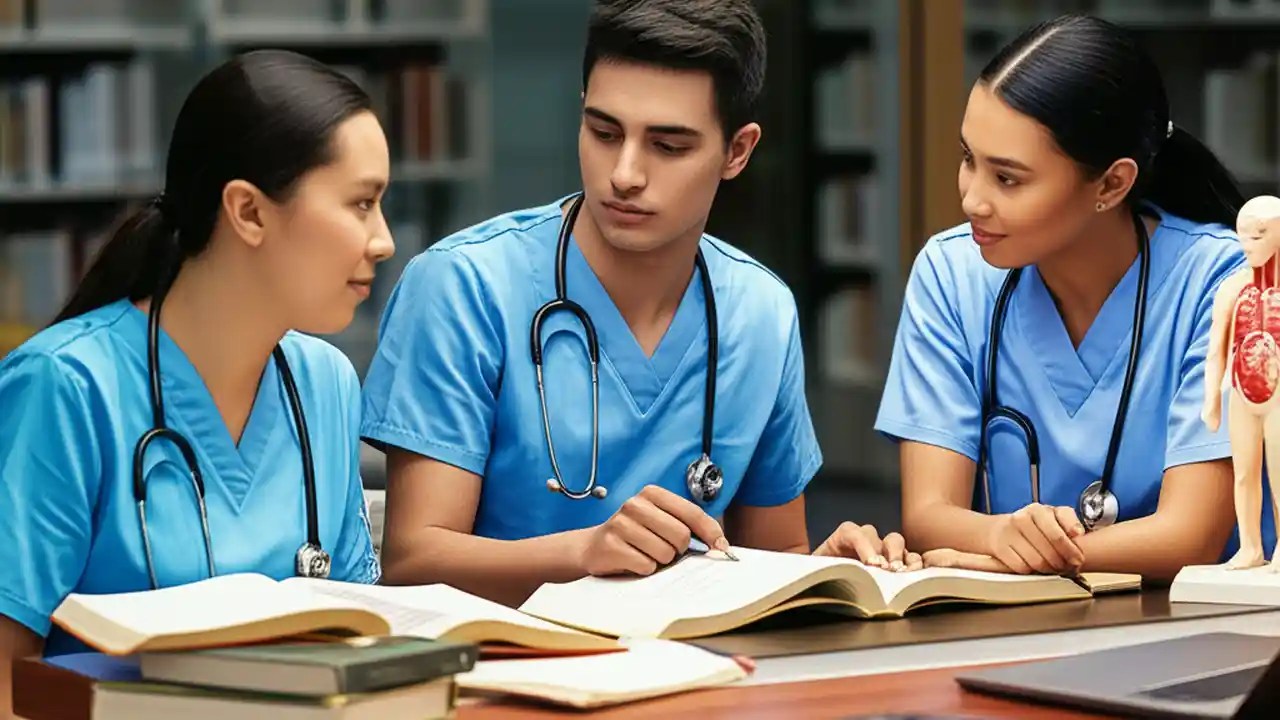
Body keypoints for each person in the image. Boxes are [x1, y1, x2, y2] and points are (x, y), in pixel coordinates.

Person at [361, 0, 918, 607]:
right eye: (604, 133)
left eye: (668, 146)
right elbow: (415, 560)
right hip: (502, 669)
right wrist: (584, 553)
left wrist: (823, 571)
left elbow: (768, 556)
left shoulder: (759, 310)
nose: (624, 173)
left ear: (737, 151)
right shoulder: (463, 287)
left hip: (694, 672)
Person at [0, 49, 395, 713]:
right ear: (248, 211)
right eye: (361, 204)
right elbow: (8, 684)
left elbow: (357, 634)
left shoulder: (324, 383)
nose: (382, 240)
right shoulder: (64, 388)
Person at [877, 14, 1261, 583]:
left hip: (1195, 631)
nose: (972, 200)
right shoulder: (950, 272)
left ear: (1111, 184)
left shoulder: (1223, 280)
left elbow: (1191, 536)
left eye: (1007, 178)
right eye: (968, 160)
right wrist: (1001, 535)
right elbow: (929, 515)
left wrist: (1002, 556)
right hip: (1020, 631)